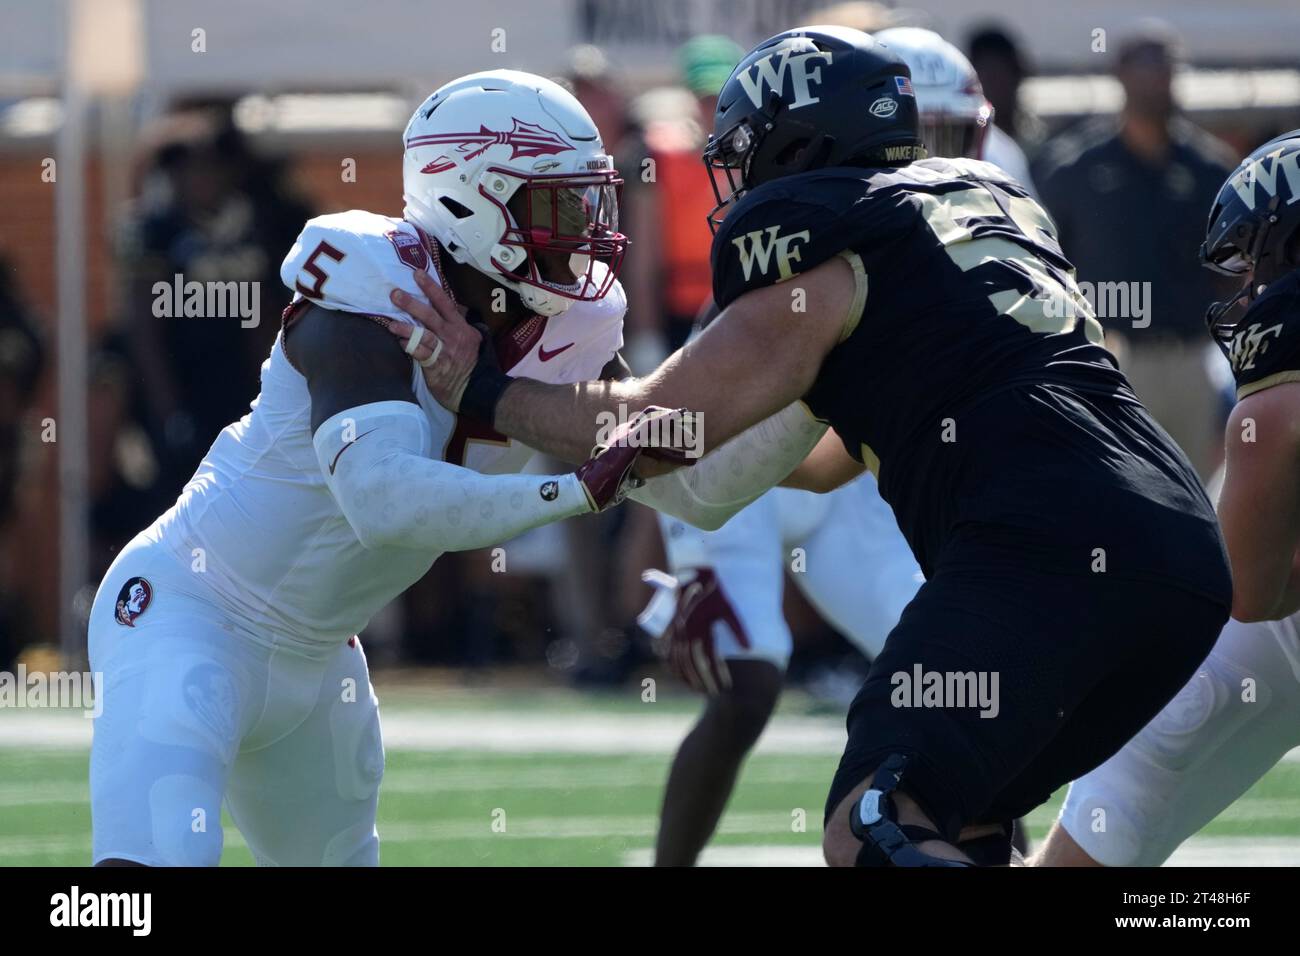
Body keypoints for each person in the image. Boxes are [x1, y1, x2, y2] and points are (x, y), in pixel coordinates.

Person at [388, 26, 1232, 867]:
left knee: (875, 823)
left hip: (1041, 541)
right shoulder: (981, 207)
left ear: (798, 143)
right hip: (1181, 555)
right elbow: (805, 463)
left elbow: (661, 426)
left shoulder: (827, 241)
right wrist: (648, 469)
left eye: (748, 152)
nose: (738, 177)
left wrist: (490, 390)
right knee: (963, 822)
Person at [88, 69, 664, 867]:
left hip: (321, 658)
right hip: (191, 615)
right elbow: (384, 501)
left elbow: (673, 454)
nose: (587, 231)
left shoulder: (573, 321)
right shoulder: (372, 290)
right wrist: (572, 491)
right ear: (473, 197)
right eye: (560, 203)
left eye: (587, 200)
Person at [1034, 131, 1300, 867]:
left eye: (1256, 264)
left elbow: (1248, 593)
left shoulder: (1276, 410)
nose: (1245, 294)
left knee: (1168, 718)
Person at [1034, 21, 1238, 479]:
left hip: (1190, 359)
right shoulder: (1076, 169)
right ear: (1120, 72)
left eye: (1166, 65)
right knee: (1119, 489)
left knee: (1193, 493)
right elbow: (1042, 263)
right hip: (1113, 356)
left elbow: (1234, 269)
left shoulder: (1208, 169)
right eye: (1145, 64)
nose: (1157, 77)